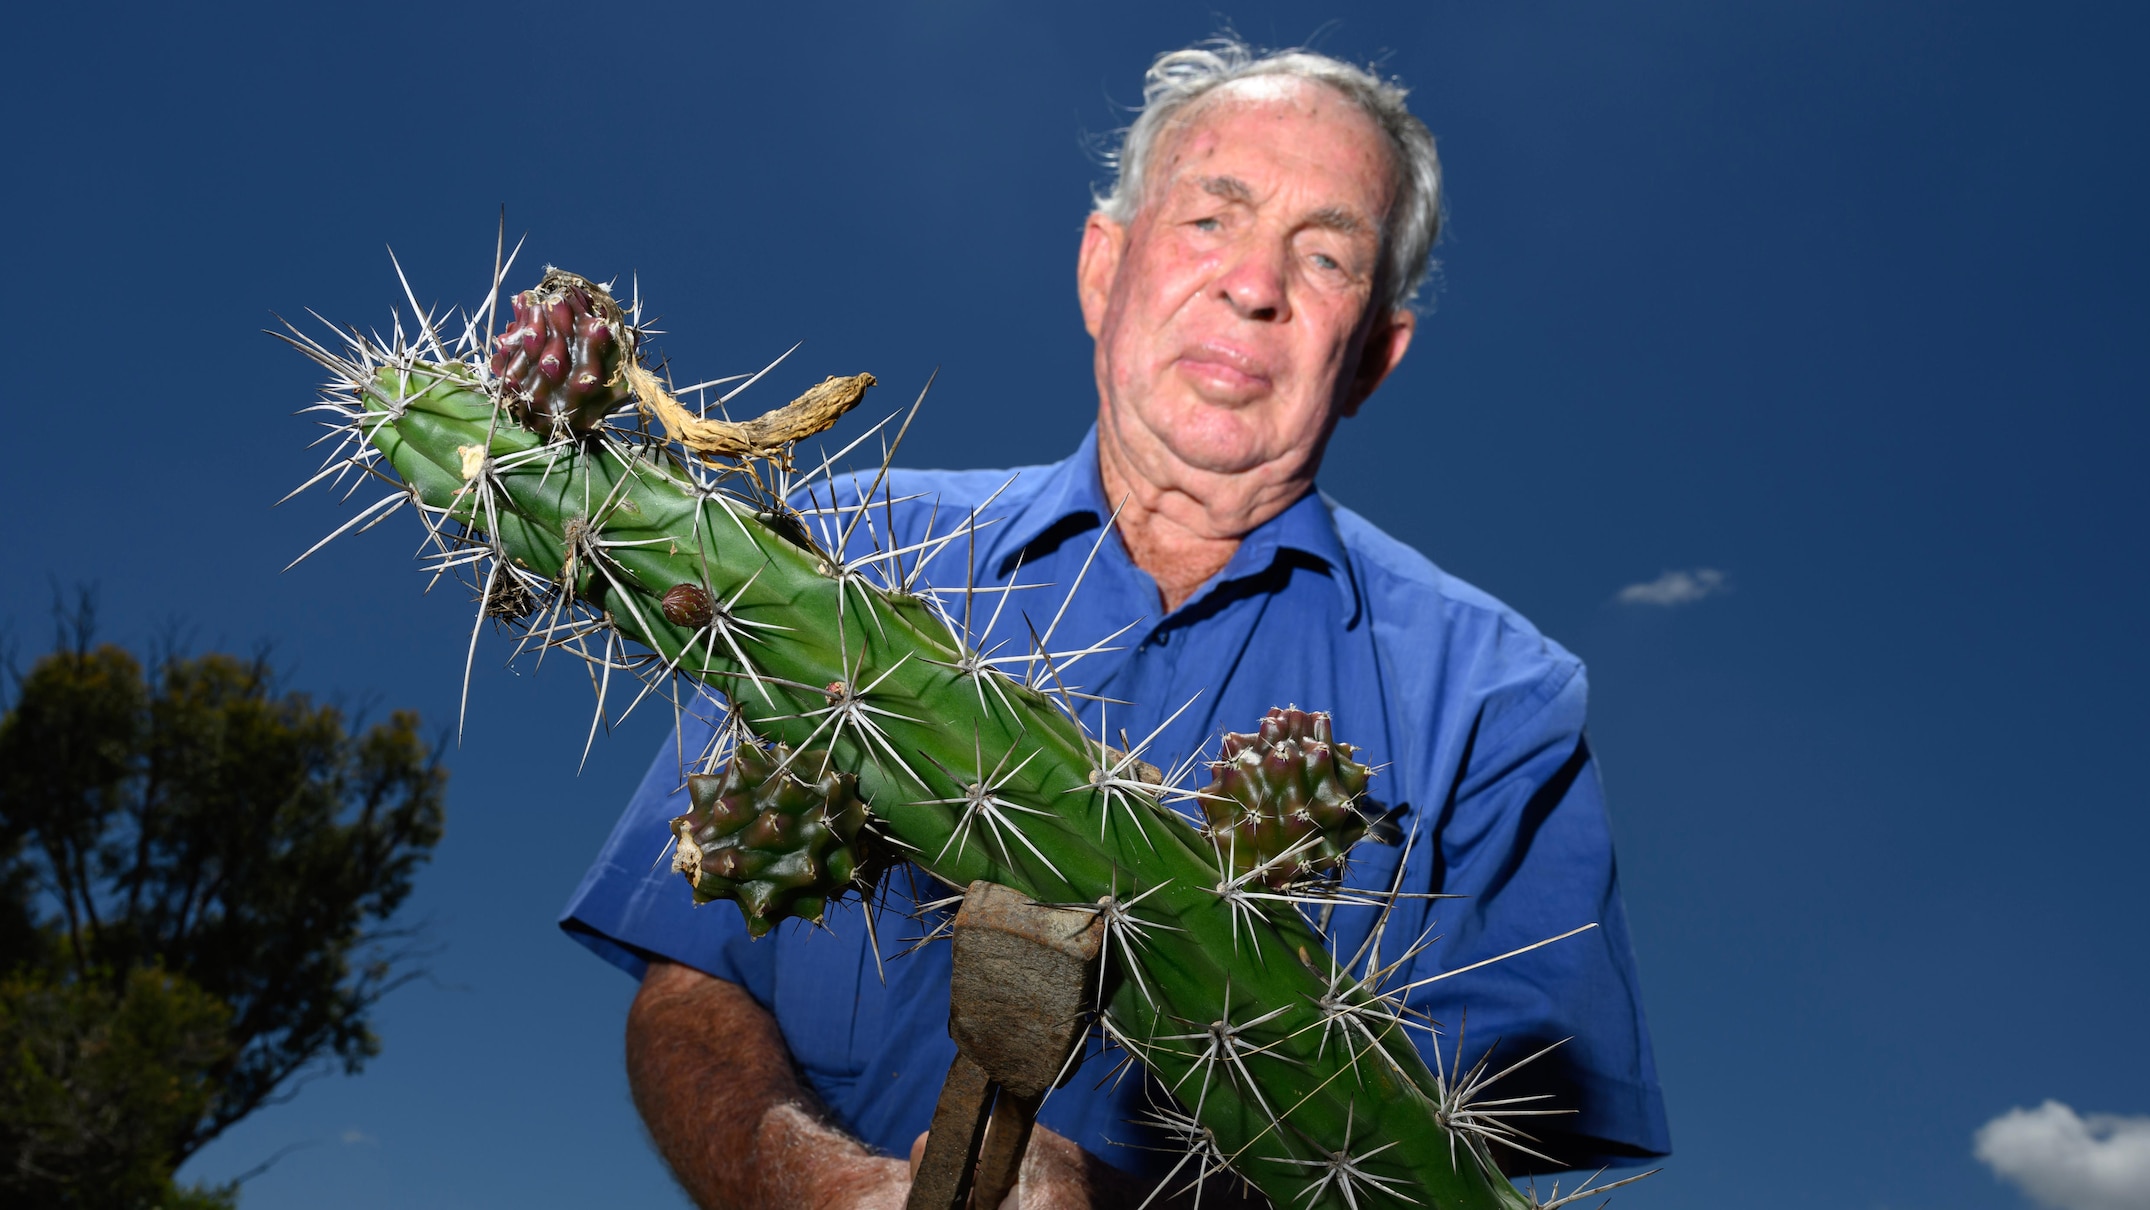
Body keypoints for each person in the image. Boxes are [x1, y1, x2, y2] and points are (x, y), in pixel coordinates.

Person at [561, 37, 1670, 1209]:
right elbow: (689, 986)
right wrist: (816, 1186)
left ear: (1374, 356)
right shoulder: (832, 552)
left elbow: (1467, 1163)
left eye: (1328, 253)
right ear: (1102, 266)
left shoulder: (1500, 701)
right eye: (1210, 218)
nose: (1254, 283)